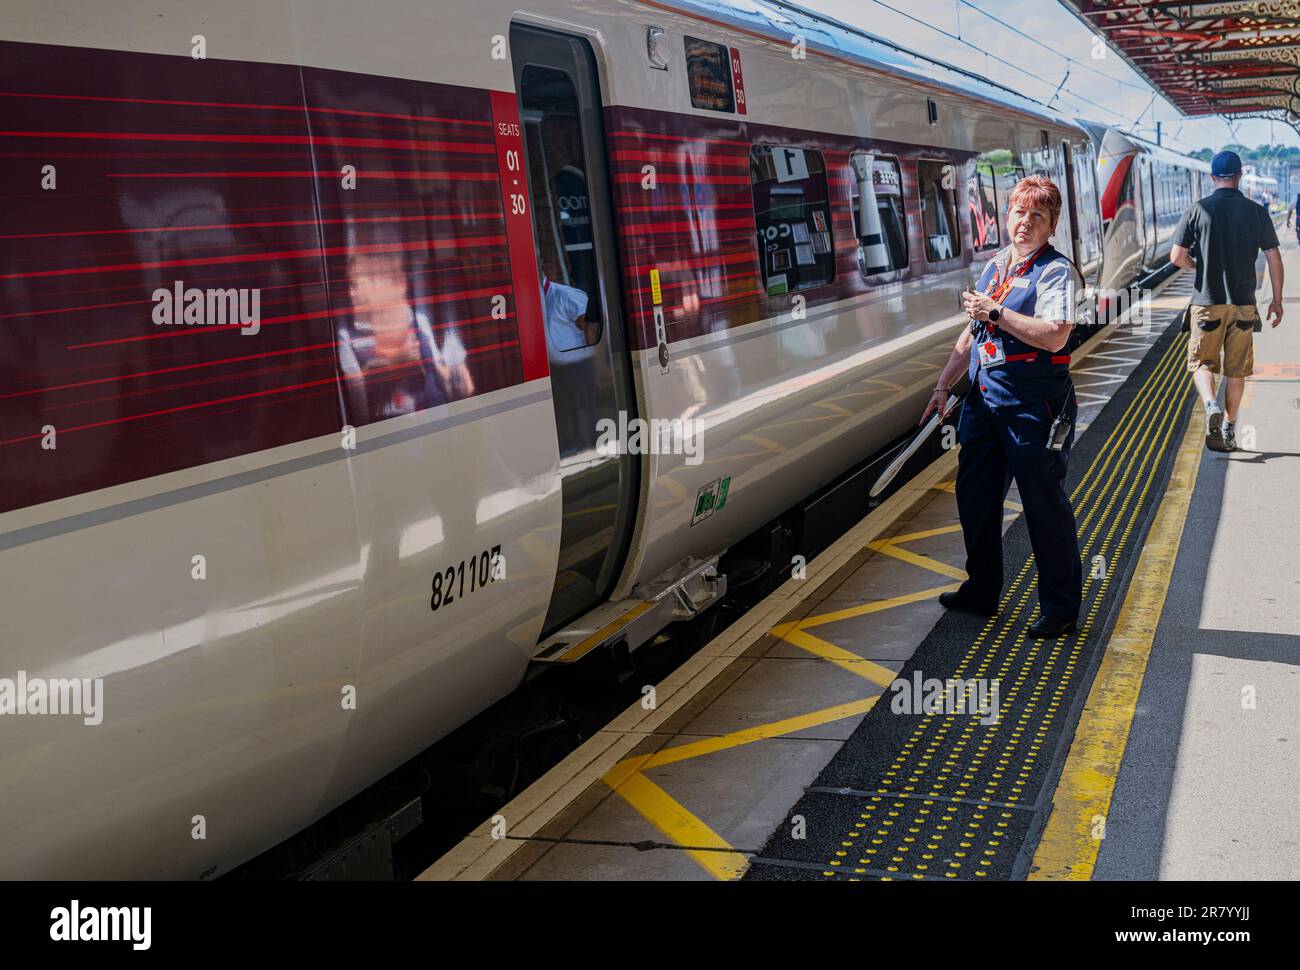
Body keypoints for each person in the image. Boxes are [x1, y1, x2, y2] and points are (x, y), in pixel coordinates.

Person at [921, 175, 1083, 639]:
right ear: (1006, 216)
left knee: (1043, 506)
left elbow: (1055, 334)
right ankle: (982, 589)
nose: (1025, 222)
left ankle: (1060, 607)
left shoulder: (1056, 272)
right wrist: (943, 384)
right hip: (984, 405)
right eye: (1018, 212)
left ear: (1051, 225)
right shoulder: (996, 265)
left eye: (1037, 215)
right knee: (975, 498)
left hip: (1035, 407)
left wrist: (996, 312)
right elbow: (970, 334)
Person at [1171, 150, 1283, 452]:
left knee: (1202, 364)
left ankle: (1210, 406)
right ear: (1239, 176)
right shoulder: (1256, 211)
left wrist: (1199, 266)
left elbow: (1177, 257)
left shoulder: (1197, 209)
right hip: (1244, 304)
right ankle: (1229, 430)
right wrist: (1277, 300)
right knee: (1236, 372)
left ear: (1212, 177)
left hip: (1207, 302)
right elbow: (1273, 256)